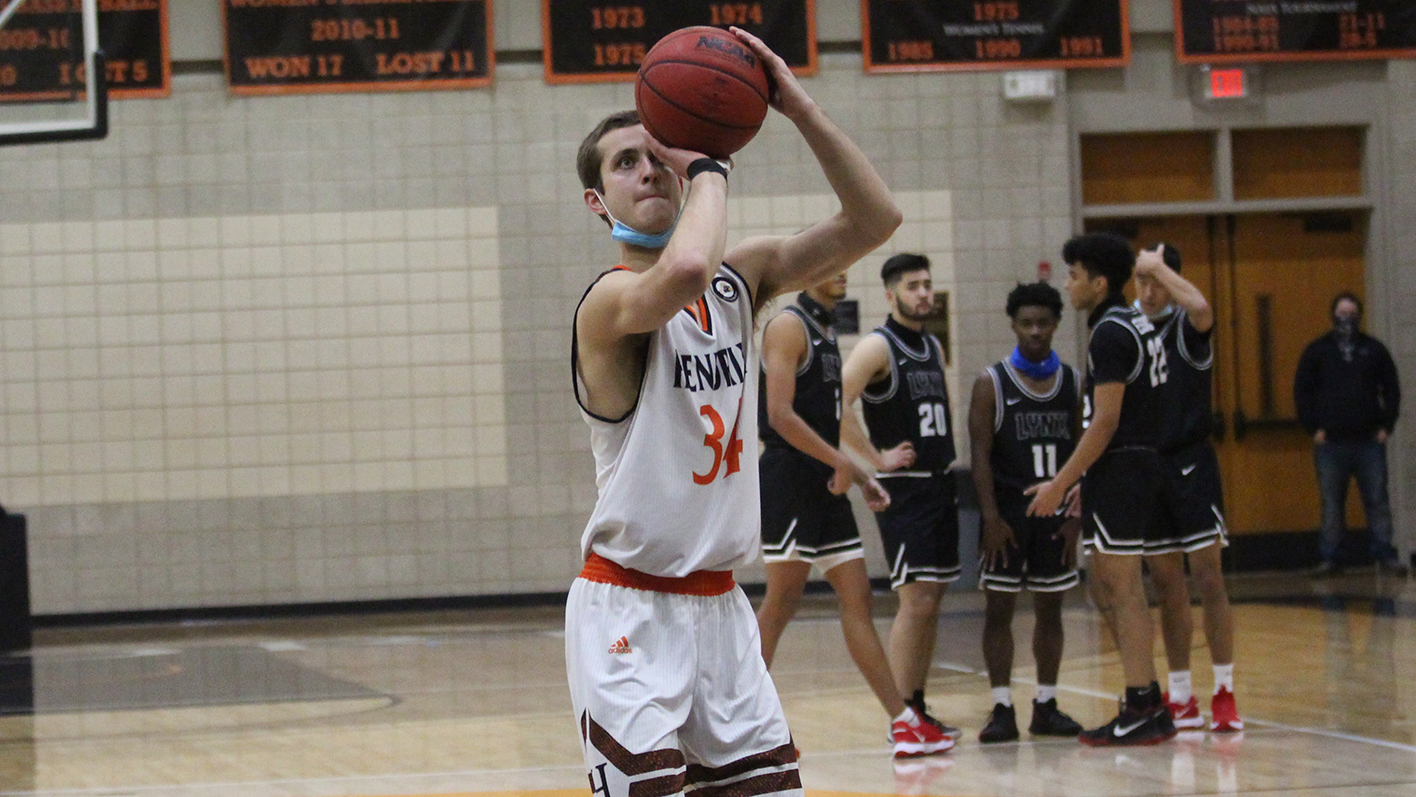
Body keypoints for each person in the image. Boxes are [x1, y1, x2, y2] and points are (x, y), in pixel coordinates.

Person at [566, 27, 932, 794]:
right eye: (626, 162)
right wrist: (706, 164)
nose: (649, 169)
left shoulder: (742, 282)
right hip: (628, 608)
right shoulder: (608, 303)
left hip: (722, 605)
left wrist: (795, 105)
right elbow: (687, 265)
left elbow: (876, 219)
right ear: (598, 202)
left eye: (654, 152)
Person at [755, 272, 953, 758]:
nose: (844, 271)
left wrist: (865, 476)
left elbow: (828, 419)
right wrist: (843, 463)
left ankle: (904, 721)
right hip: (790, 478)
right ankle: (742, 726)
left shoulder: (826, 331)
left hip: (826, 481)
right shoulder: (787, 325)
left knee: (858, 596)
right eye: (834, 263)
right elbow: (779, 414)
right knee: (781, 604)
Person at [1026, 233, 1178, 746]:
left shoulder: (1110, 332)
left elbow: (1106, 421)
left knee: (1121, 588)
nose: (1067, 284)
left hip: (1124, 465)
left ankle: (1140, 702)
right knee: (1114, 586)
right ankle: (1150, 701)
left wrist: (1060, 483)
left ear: (1100, 282)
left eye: (1074, 275)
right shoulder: (1134, 322)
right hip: (1134, 466)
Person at [840, 253, 962, 739]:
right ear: (891, 295)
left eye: (928, 284)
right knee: (914, 601)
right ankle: (903, 717)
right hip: (905, 491)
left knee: (931, 599)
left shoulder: (931, 343)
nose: (925, 293)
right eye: (914, 286)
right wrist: (875, 456)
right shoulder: (877, 347)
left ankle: (917, 704)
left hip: (938, 482)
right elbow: (835, 403)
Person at [967, 281, 1085, 743]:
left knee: (1051, 609)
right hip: (1008, 516)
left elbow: (1082, 451)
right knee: (999, 610)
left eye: (1043, 323)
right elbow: (979, 455)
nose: (1035, 331)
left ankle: (1046, 704)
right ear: (1013, 325)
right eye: (1026, 323)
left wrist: (1077, 513)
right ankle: (1001, 709)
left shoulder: (1073, 383)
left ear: (1056, 324)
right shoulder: (990, 383)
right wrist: (991, 517)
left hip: (1055, 518)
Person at [1132, 244, 1243, 733]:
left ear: (1173, 279)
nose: (1150, 289)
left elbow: (1200, 308)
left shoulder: (1187, 325)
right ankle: (1180, 694)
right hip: (1147, 466)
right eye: (1142, 279)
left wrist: (1160, 267)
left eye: (1158, 279)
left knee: (1208, 576)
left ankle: (1224, 690)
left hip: (1191, 463)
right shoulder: (1123, 330)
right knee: (1166, 584)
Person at [1293, 292, 1404, 577]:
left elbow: (1391, 388)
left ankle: (1384, 554)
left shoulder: (1374, 350)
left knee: (1377, 500)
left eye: (1352, 315)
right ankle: (1331, 557)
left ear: (1360, 316)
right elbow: (1302, 391)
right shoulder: (1318, 351)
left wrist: (1386, 426)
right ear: (1333, 316)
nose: (1347, 320)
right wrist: (1313, 428)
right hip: (1330, 443)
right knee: (1331, 503)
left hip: (1369, 441)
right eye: (1342, 315)